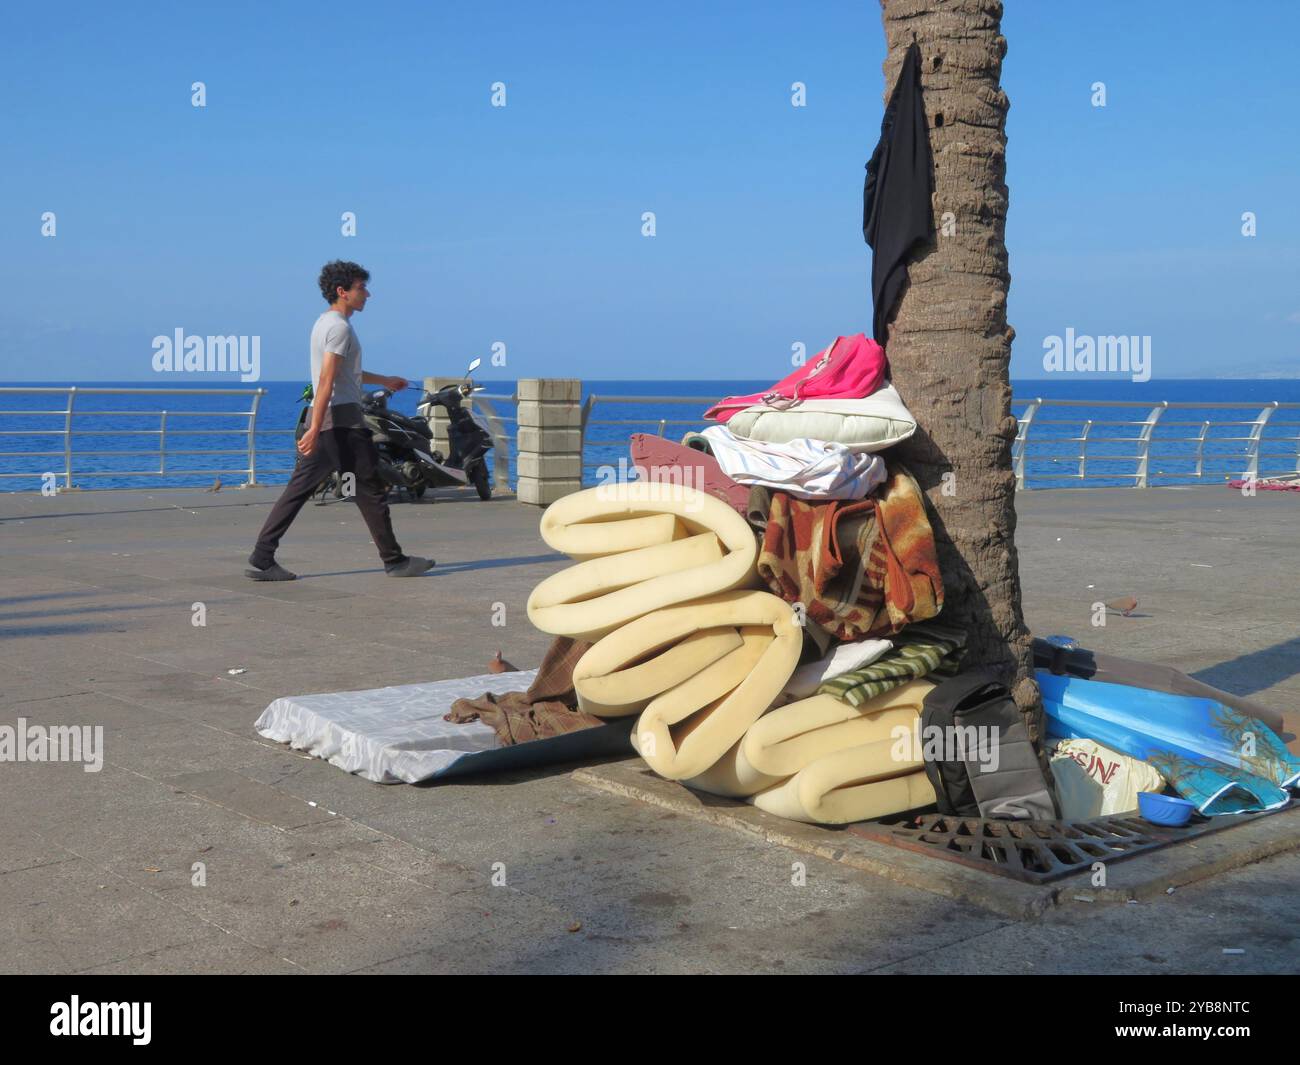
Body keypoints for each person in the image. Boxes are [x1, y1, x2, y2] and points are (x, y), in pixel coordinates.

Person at [245, 261, 434, 580]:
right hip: (341, 423)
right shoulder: (339, 328)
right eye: (362, 288)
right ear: (342, 291)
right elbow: (327, 380)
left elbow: (346, 373)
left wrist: (384, 380)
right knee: (370, 488)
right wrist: (316, 429)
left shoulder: (325, 323)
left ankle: (263, 556)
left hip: (331, 421)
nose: (368, 294)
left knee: (301, 488)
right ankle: (395, 561)